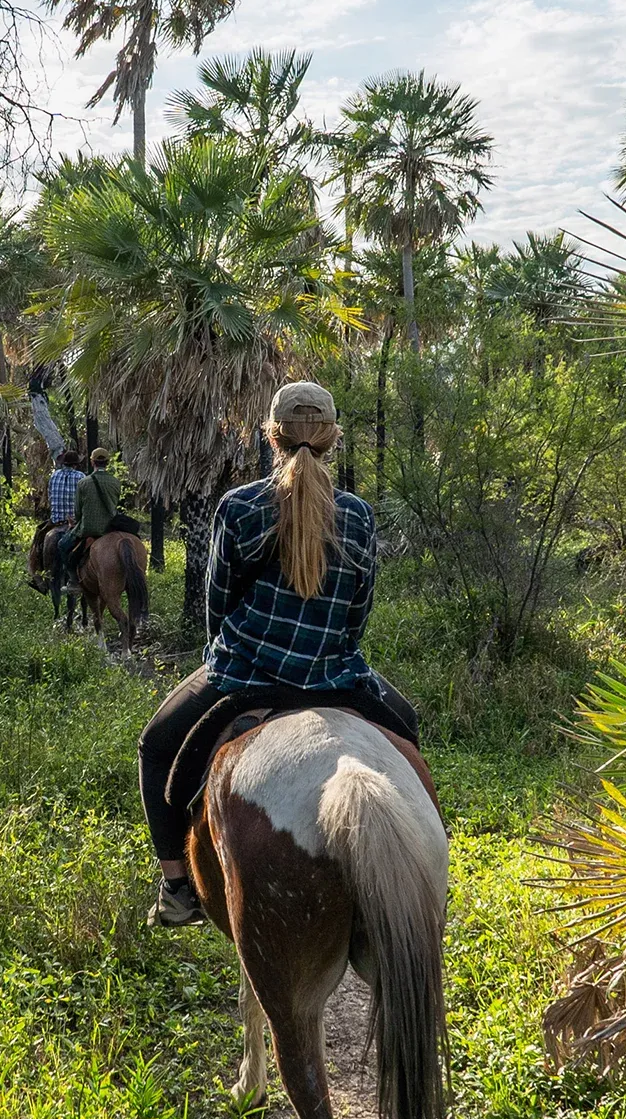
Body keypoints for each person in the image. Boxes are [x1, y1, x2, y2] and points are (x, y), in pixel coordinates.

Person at [135, 382, 419, 927]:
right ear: (332, 439)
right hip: (336, 675)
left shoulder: (240, 506)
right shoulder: (358, 515)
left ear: (272, 436)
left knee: (155, 747)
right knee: (407, 727)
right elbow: (357, 614)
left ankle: (176, 889)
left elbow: (218, 603)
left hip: (246, 673)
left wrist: (228, 655)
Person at [60, 447, 122, 587]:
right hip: (109, 528)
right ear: (107, 462)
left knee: (62, 545)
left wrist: (75, 523)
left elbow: (78, 511)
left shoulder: (83, 483)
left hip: (88, 528)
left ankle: (73, 580)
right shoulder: (115, 482)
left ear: (92, 462)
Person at [46, 449, 84, 588]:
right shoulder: (81, 477)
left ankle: (37, 574)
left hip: (56, 522)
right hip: (74, 524)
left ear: (63, 463)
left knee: (39, 538)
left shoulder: (54, 475)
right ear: (76, 464)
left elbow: (50, 497)